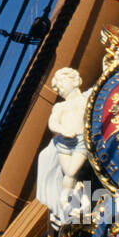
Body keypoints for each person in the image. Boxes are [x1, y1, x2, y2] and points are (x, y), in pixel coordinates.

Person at [36, 67, 93, 223]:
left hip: (81, 141)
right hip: (64, 143)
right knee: (69, 172)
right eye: (56, 87)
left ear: (74, 80)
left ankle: (70, 200)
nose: (58, 88)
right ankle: (69, 201)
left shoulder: (86, 99)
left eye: (61, 83)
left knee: (71, 171)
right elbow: (53, 122)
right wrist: (62, 130)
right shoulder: (59, 106)